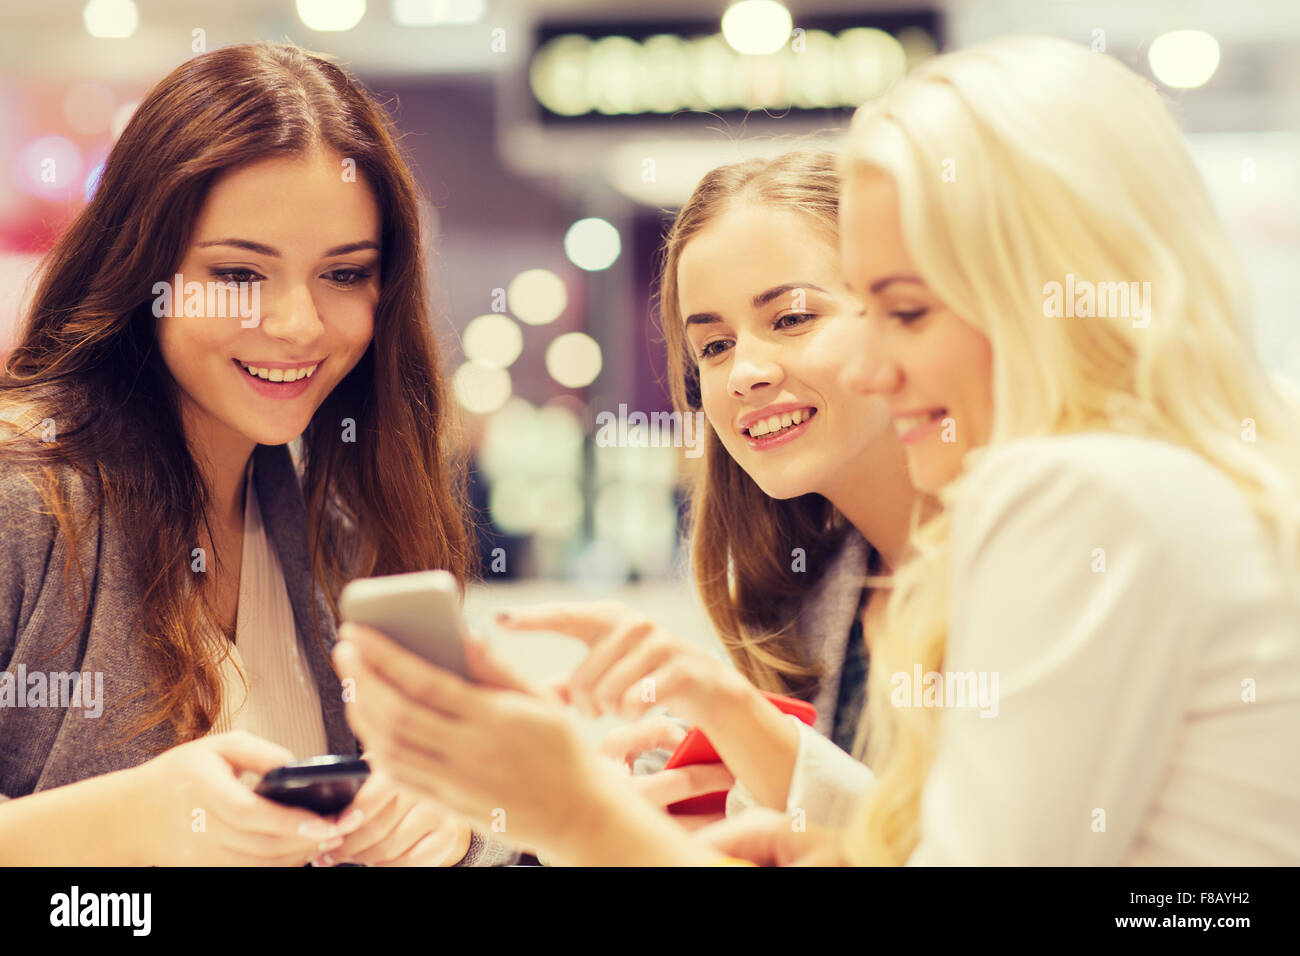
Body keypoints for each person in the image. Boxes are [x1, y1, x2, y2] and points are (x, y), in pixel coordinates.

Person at [336, 35, 1300, 866]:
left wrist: (577, 816)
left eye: (905, 310)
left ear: (1037, 285)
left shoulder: (1079, 496)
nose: (871, 362)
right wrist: (750, 733)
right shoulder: (1149, 487)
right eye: (711, 346)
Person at [0, 41, 495, 866]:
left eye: (343, 275)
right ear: (142, 267)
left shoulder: (342, 521)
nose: (298, 324)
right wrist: (123, 823)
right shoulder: (24, 498)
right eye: (237, 274)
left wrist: (450, 827)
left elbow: (459, 811)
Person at [496, 150, 918, 832]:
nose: (744, 372)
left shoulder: (1033, 558)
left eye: (790, 319)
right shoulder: (802, 599)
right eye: (714, 347)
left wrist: (753, 739)